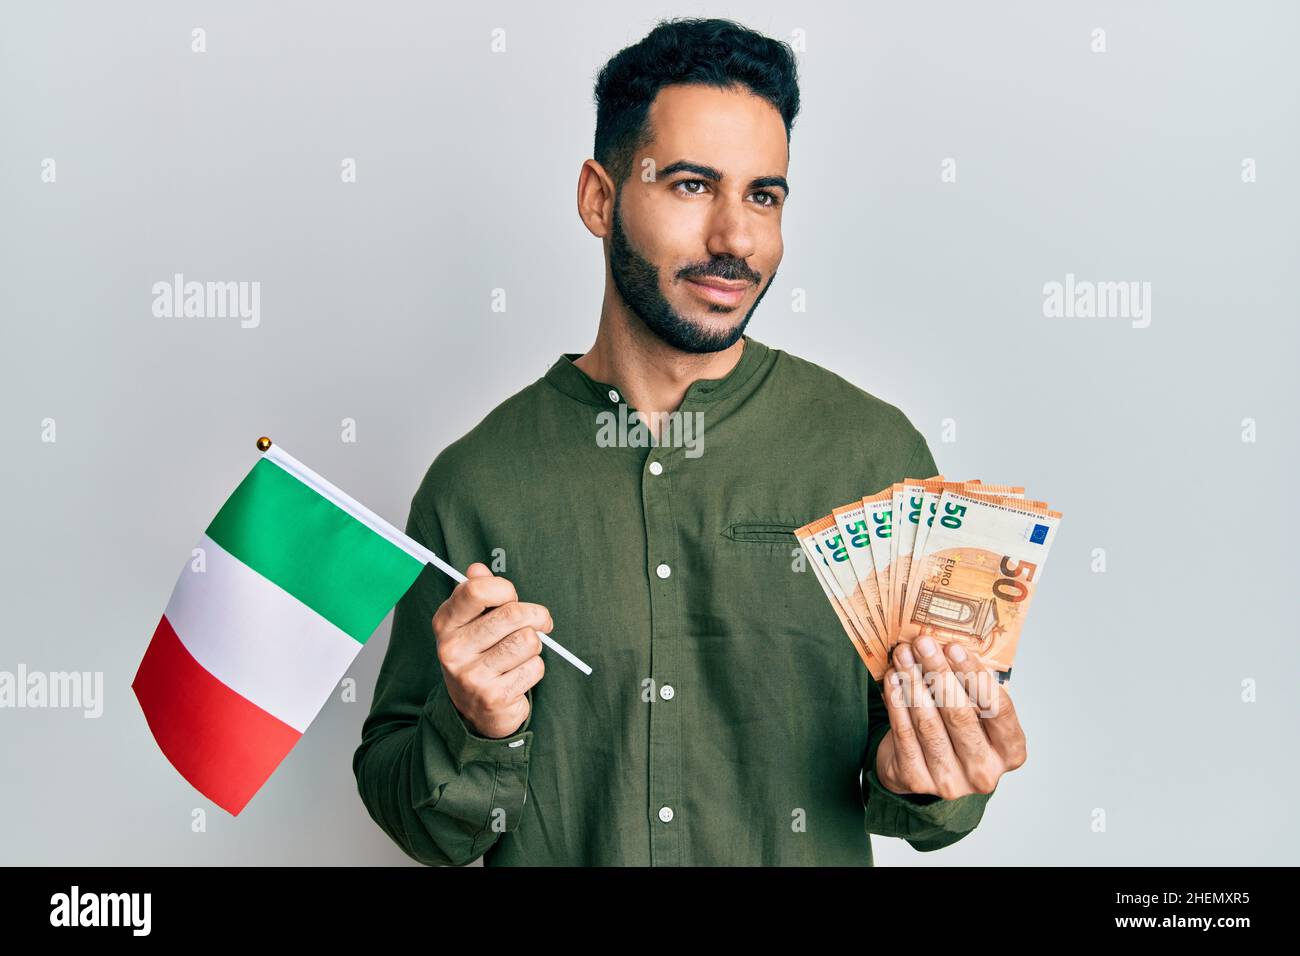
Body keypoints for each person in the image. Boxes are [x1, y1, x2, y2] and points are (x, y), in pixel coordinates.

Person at [352, 16, 1026, 866]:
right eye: (691, 185)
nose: (735, 240)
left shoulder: (877, 457)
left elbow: (941, 810)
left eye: (763, 196)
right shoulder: (475, 481)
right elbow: (410, 810)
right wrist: (475, 724)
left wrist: (922, 772)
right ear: (600, 198)